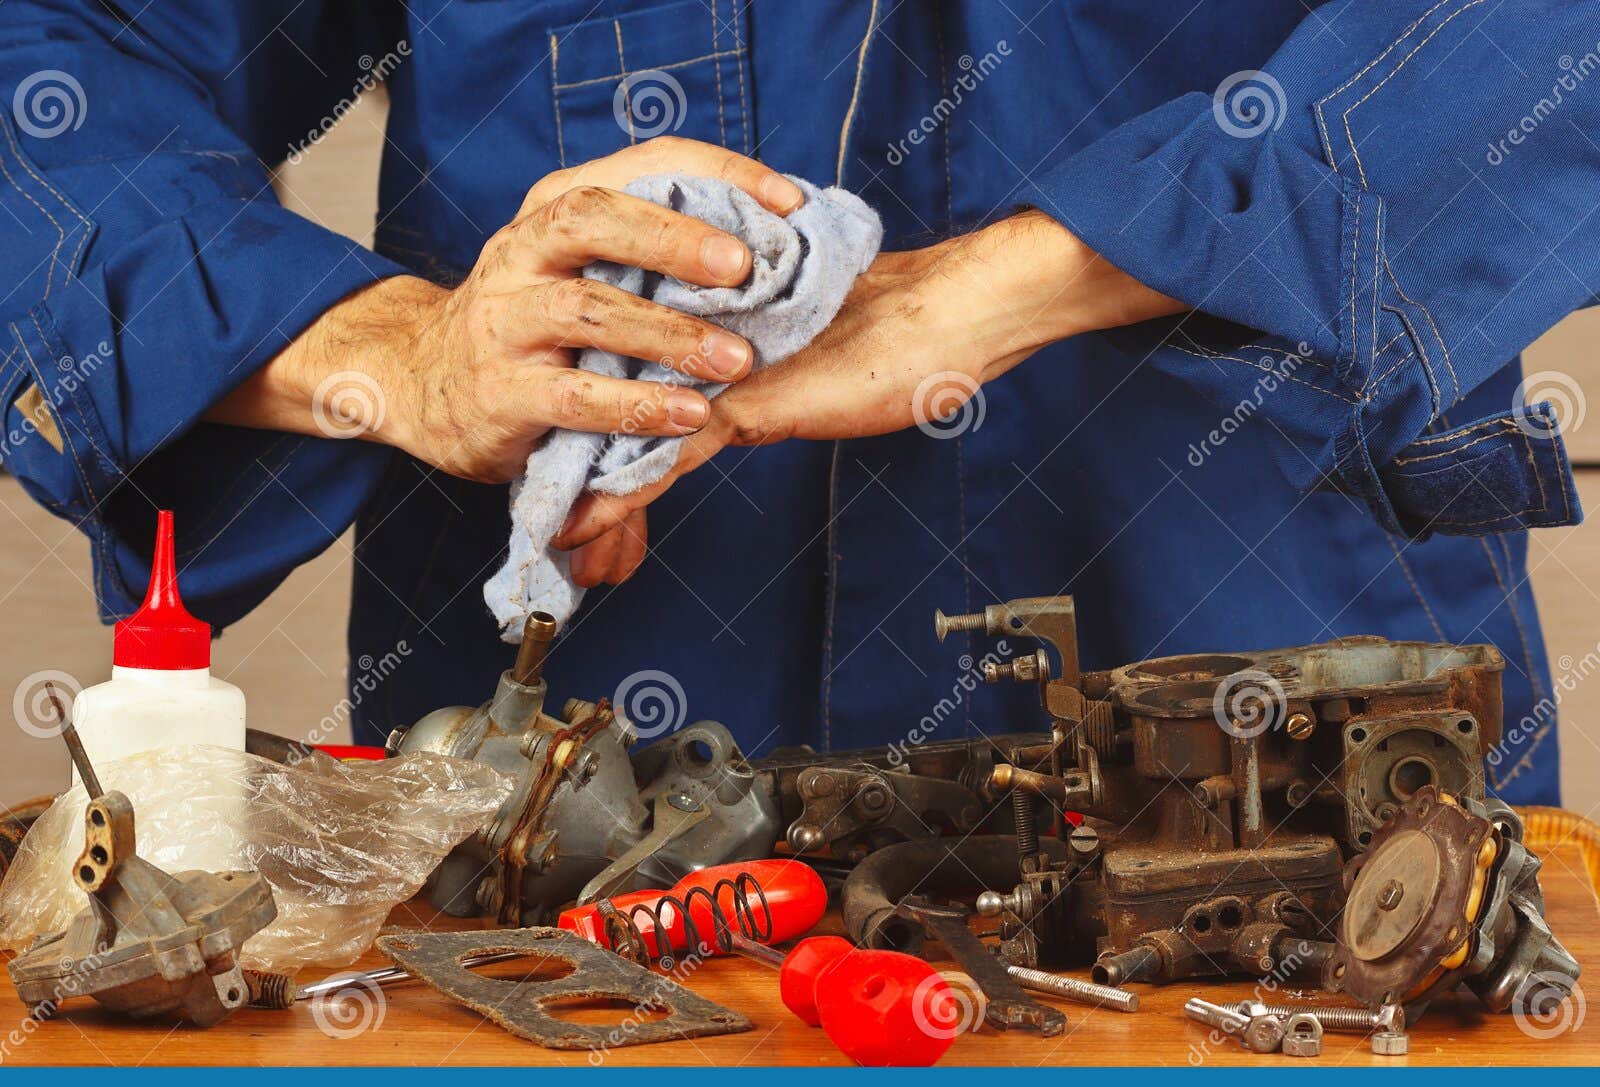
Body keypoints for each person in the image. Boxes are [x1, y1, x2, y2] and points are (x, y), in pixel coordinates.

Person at [1, 2, 1591, 803]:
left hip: (1263, 682)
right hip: (589, 776)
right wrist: (390, 345)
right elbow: (67, 55)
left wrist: (1037, 272)